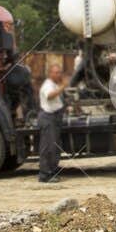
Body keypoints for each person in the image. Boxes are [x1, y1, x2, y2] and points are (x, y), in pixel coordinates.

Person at [37, 55, 77, 184]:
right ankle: (45, 175)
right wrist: (63, 86)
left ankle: (52, 170)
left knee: (55, 147)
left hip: (55, 118)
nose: (58, 74)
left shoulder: (55, 84)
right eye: (56, 72)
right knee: (48, 147)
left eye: (59, 72)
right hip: (48, 118)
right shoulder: (47, 85)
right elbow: (50, 96)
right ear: (50, 74)